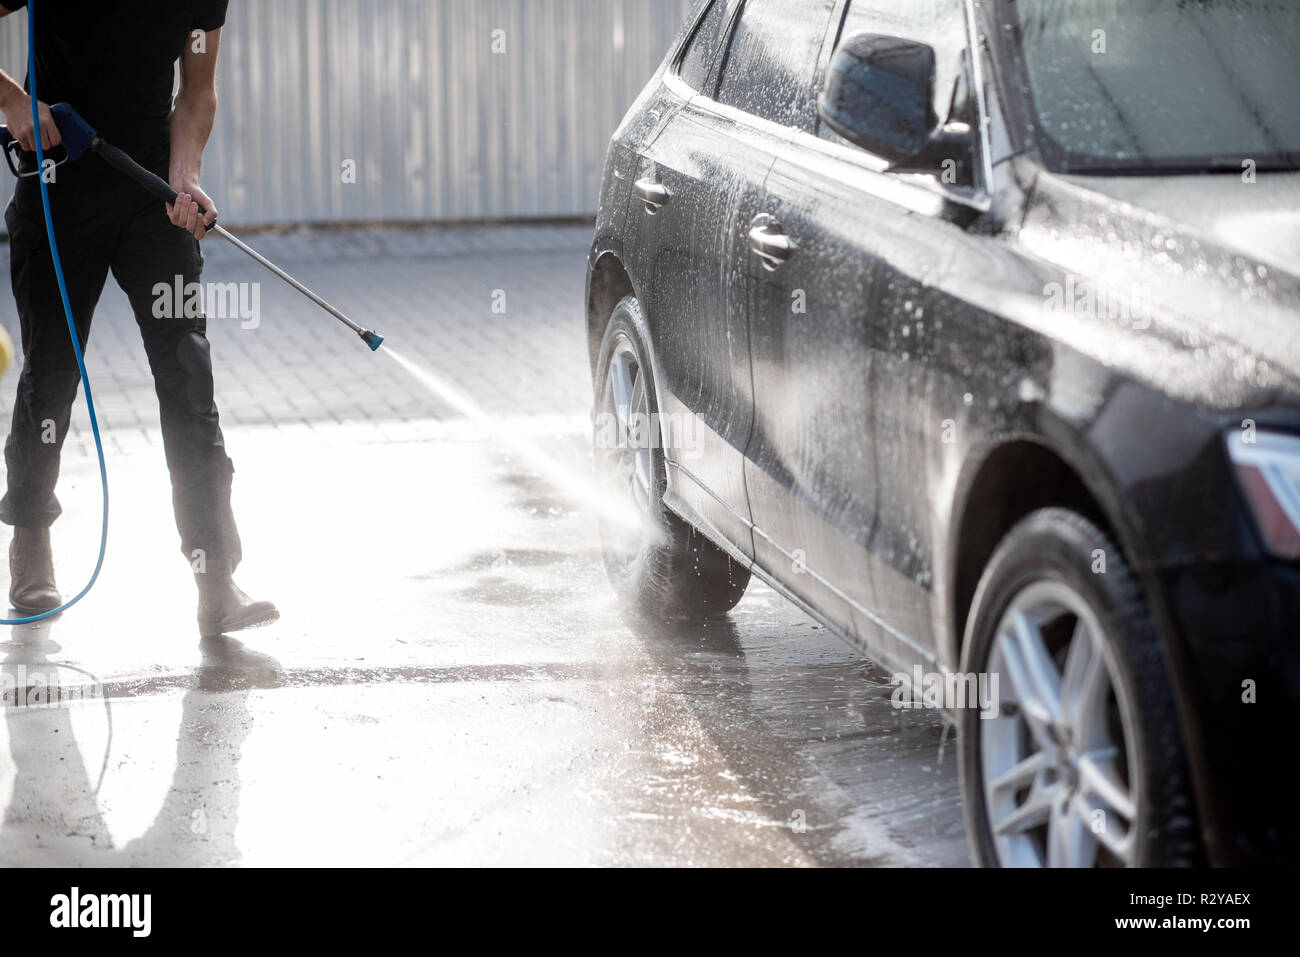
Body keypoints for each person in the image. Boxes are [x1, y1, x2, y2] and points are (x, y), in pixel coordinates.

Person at [0, 0, 277, 637]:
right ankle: (31, 540)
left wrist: (184, 176)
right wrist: (16, 103)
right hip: (58, 193)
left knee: (189, 376)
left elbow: (197, 90)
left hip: (152, 198)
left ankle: (215, 579)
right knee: (51, 373)